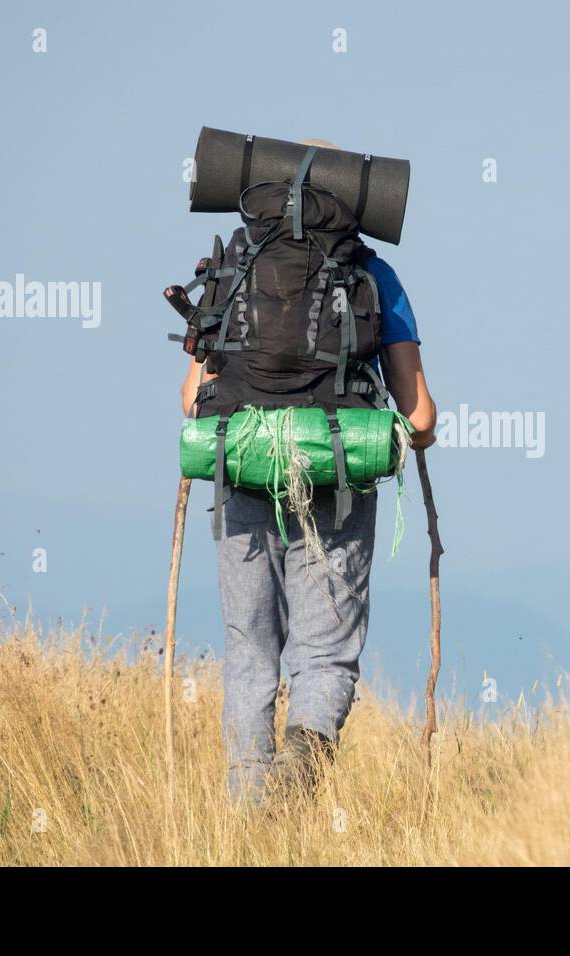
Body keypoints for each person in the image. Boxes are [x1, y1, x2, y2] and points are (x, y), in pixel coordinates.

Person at [179, 139, 436, 802]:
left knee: (250, 652)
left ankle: (246, 814)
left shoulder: (235, 263)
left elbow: (191, 402)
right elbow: (423, 416)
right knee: (324, 656)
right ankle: (301, 767)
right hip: (337, 475)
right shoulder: (372, 273)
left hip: (241, 469)